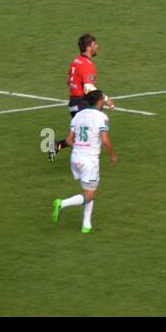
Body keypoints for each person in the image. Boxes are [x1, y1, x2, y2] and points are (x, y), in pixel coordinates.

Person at [50, 90, 116, 233]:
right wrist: (112, 155)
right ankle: (61, 204)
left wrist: (80, 147)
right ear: (99, 102)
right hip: (89, 160)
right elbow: (104, 140)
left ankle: (86, 224)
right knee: (89, 194)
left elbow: (68, 140)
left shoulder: (78, 115)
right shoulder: (102, 117)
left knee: (88, 190)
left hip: (75, 158)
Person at [47, 33, 111, 162]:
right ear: (90, 47)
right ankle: (82, 161)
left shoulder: (75, 61)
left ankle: (57, 145)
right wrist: (106, 99)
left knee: (84, 133)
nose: (97, 47)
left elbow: (68, 81)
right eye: (95, 44)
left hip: (73, 103)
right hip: (82, 103)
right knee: (90, 133)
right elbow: (88, 88)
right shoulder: (87, 65)